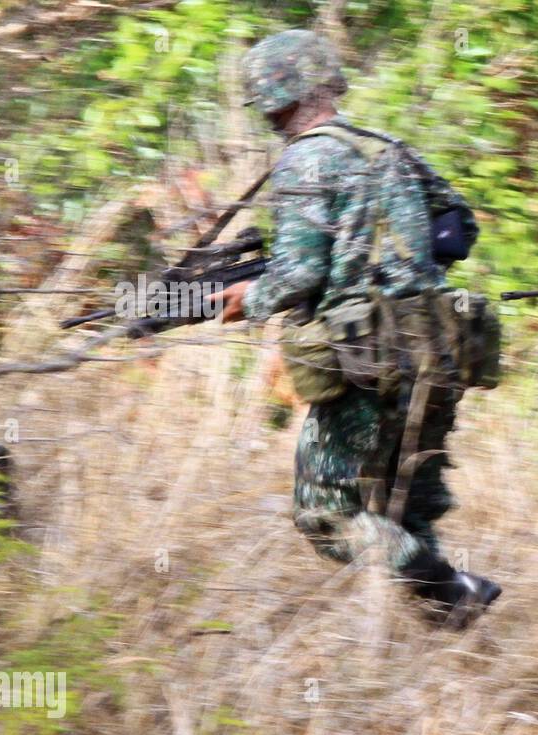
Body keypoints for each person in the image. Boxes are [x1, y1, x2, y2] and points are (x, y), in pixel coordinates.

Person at [211, 29, 500, 623]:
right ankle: (448, 625)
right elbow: (459, 227)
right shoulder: (388, 149)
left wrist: (252, 298)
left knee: (324, 512)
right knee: (403, 508)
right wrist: (397, 270)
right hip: (441, 346)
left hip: (368, 358)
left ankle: (451, 590)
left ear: (275, 98)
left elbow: (297, 274)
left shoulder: (305, 160)